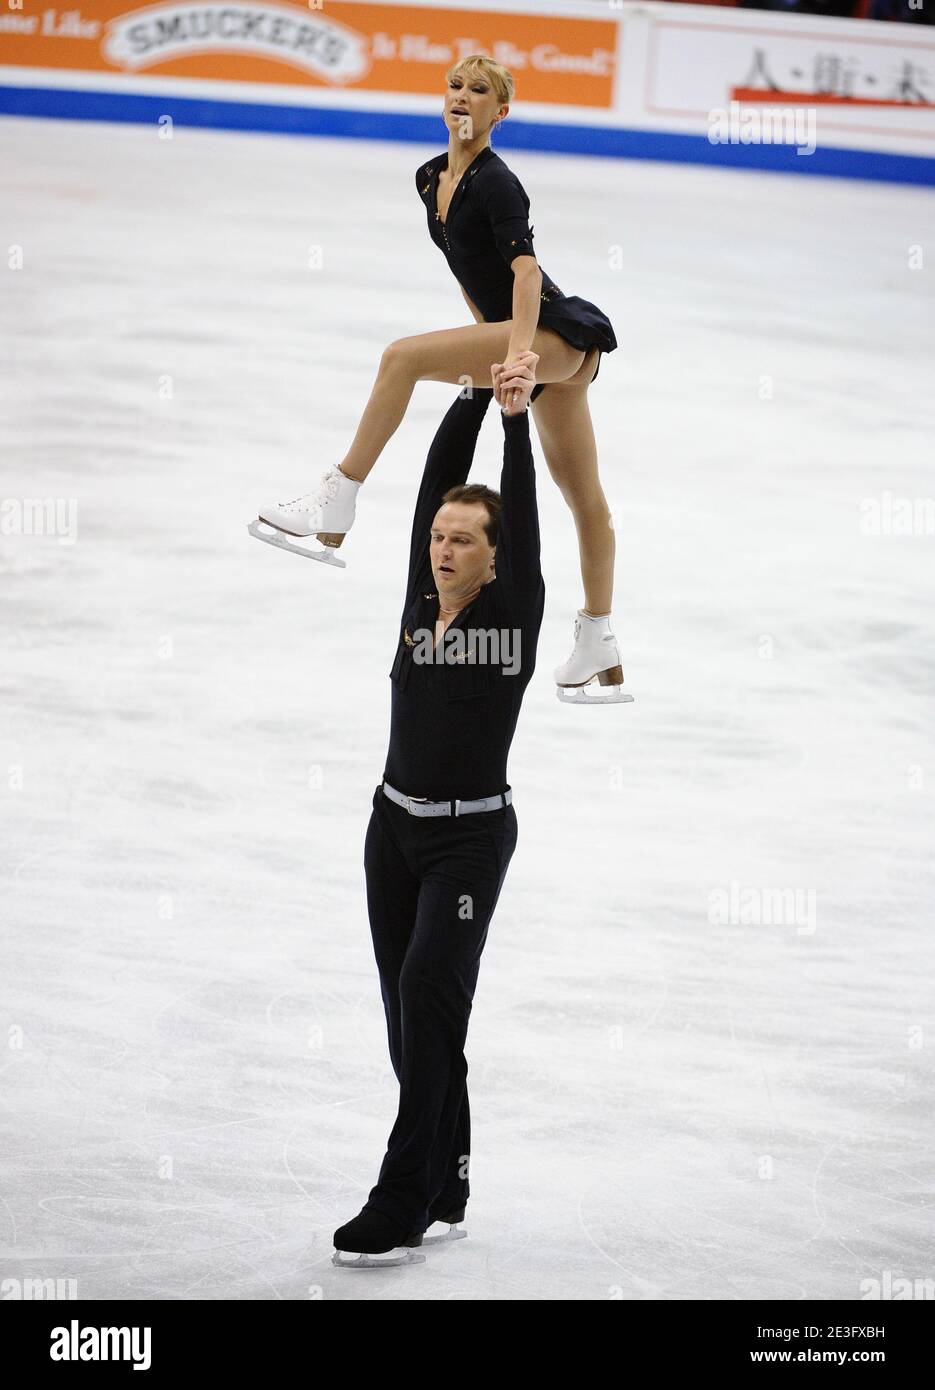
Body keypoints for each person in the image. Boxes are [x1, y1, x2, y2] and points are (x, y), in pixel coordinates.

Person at [251, 53, 629, 705]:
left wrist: (514, 356)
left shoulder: (496, 182)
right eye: (454, 86)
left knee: (400, 357)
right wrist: (490, 355)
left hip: (553, 333)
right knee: (582, 494)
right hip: (534, 342)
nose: (462, 97)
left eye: (478, 91)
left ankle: (337, 494)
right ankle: (598, 637)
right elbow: (470, 278)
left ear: (498, 112)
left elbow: (525, 277)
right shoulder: (430, 180)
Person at [332, 351, 543, 1267]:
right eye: (439, 537)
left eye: (463, 539)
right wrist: (463, 397)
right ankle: (449, 1168)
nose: (443, 548)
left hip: (466, 839)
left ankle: (403, 1196)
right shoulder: (421, 601)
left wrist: (514, 420)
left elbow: (529, 526)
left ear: (493, 557)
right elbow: (426, 495)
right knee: (409, 1015)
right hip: (391, 832)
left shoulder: (513, 615)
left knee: (427, 995)